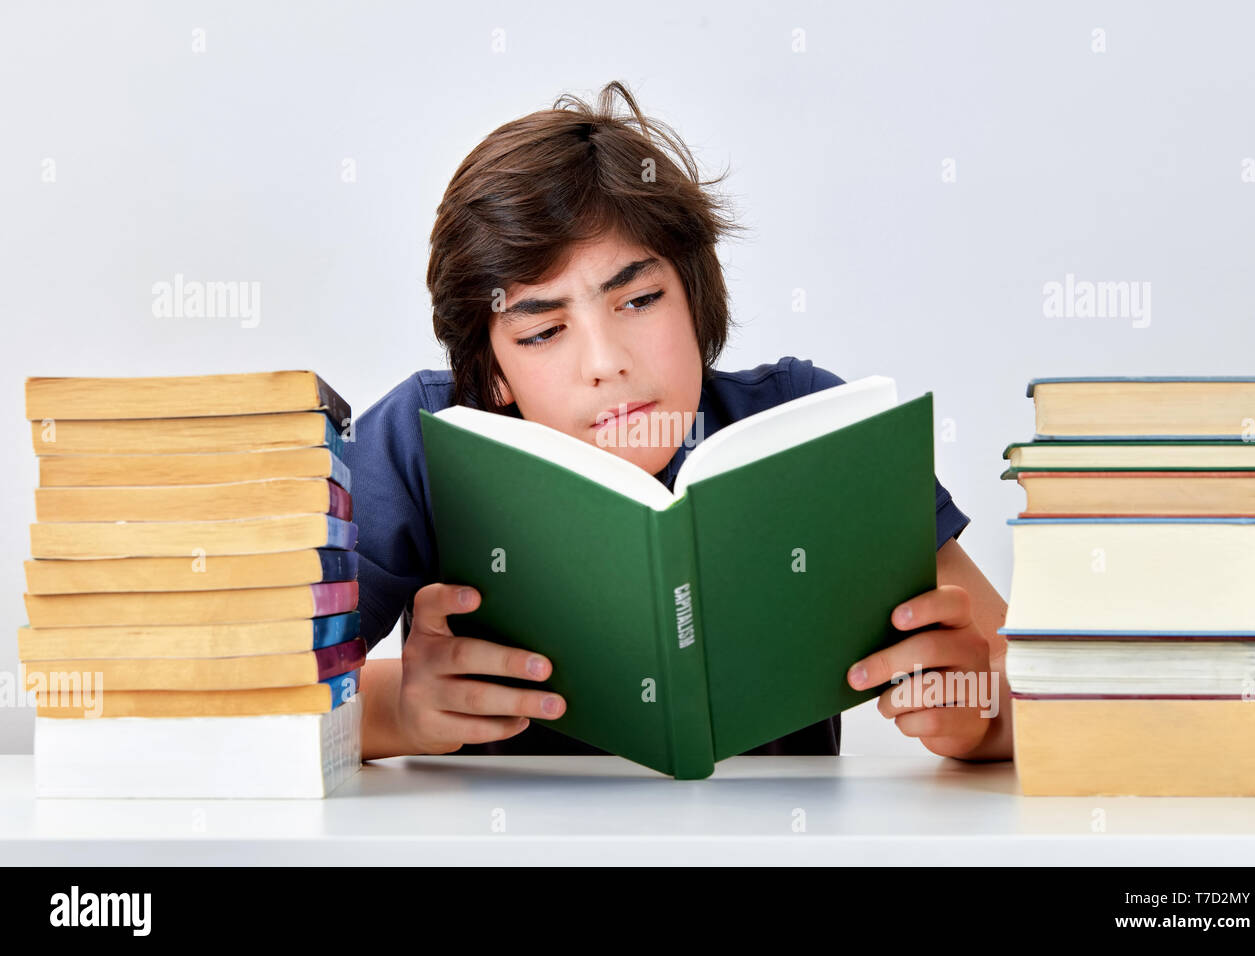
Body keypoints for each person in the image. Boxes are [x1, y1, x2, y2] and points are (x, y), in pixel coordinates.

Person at [345, 80, 1012, 764]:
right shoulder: (423, 441)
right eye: (544, 331)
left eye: (637, 300)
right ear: (492, 371)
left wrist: (981, 715)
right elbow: (252, 711)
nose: (605, 363)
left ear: (693, 294)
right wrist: (395, 711)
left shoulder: (804, 423)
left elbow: (1044, 699)